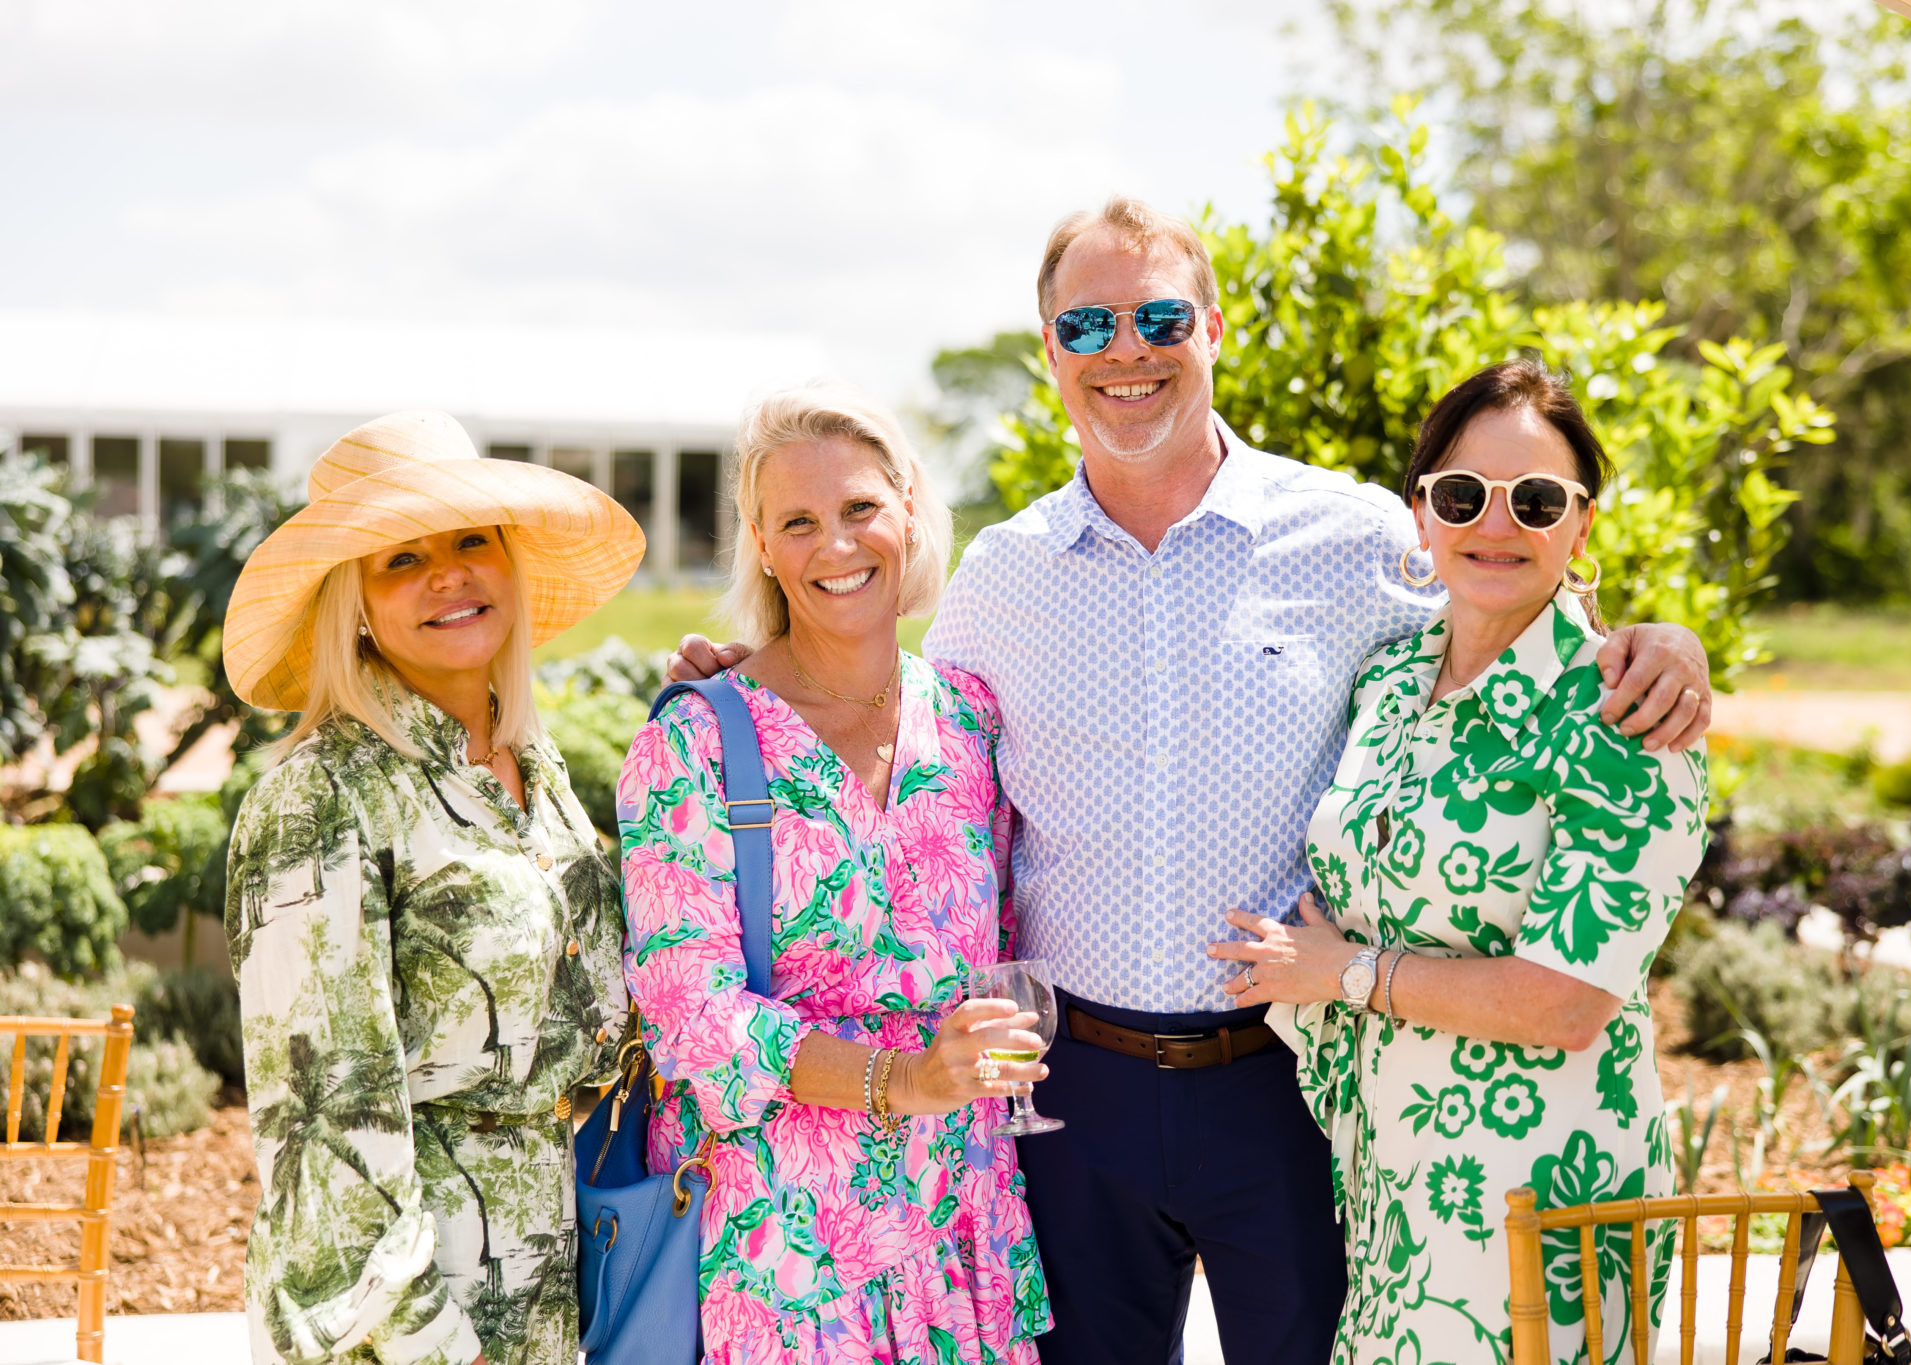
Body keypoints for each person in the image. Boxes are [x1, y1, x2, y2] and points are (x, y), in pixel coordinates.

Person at [669, 197, 1713, 1365]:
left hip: (1290, 1087)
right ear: (1048, 352)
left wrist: (1651, 640)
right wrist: (737, 678)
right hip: (1073, 1103)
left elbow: (1501, 601)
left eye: (1160, 315)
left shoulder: (1358, 537)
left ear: (1212, 328)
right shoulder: (998, 582)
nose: (1126, 350)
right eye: (1088, 325)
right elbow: (885, 716)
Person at [1210, 359, 1710, 1365]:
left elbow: (1567, 1001)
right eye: (1461, 495)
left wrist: (1344, 975)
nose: (1495, 523)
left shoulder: (1621, 717)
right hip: (1385, 1186)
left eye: (1534, 500)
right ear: (1420, 515)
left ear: (1581, 527)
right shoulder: (1387, 682)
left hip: (1536, 1204)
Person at [619, 385, 1051, 1364]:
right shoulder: (695, 741)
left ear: (907, 507)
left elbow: (1007, 943)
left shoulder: (970, 721)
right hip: (786, 1257)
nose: (836, 545)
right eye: (797, 523)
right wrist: (902, 1080)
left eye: (859, 508)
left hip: (962, 1231)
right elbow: (693, 1019)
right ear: (763, 548)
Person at [221, 411, 641, 1365]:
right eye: (399, 560)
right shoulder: (321, 794)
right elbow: (327, 1126)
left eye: (468, 540)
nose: (448, 573)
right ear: (352, 603)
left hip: (548, 1289)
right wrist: (438, 1348)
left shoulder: (533, 766)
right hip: (405, 1329)